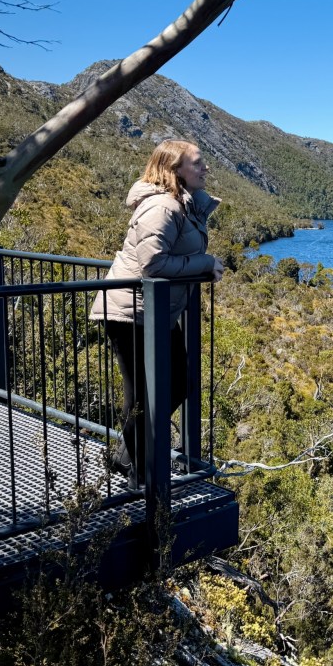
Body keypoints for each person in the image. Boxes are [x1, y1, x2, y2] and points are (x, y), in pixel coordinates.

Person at [90, 139, 224, 489]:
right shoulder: (161, 208)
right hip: (130, 312)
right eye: (198, 163)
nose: (205, 168)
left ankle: (127, 458)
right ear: (174, 169)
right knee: (142, 395)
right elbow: (152, 264)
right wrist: (206, 263)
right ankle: (142, 476)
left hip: (157, 311)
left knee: (177, 383)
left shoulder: (179, 203)